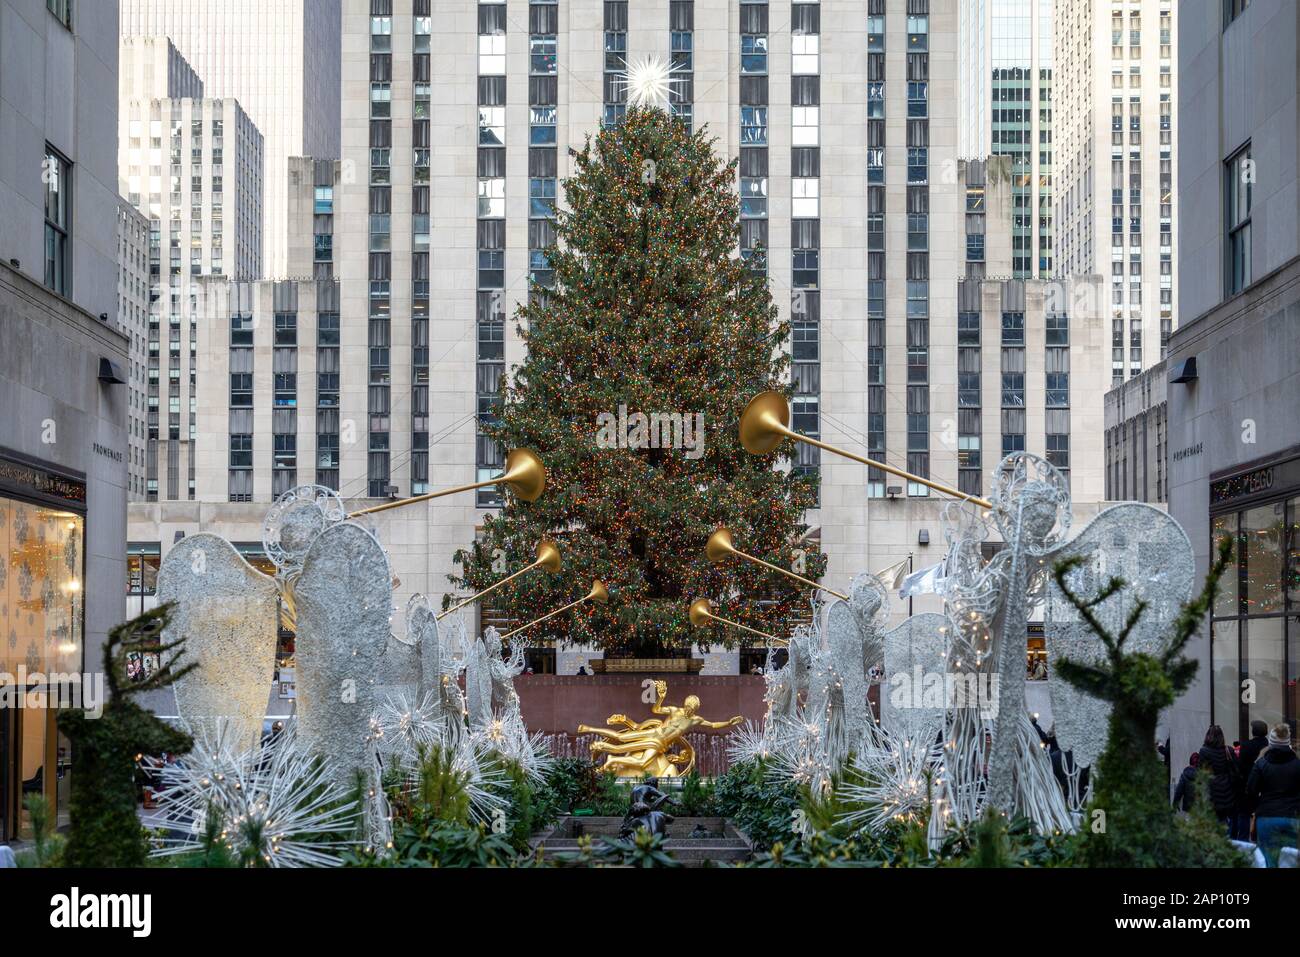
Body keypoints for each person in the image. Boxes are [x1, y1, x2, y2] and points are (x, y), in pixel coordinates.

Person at [1244, 724, 1300, 867]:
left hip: (1266, 817)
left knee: (1268, 861)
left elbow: (1250, 791)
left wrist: (1254, 810)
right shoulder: (1297, 764)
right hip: (1292, 817)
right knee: (1292, 861)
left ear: (1271, 742)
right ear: (1288, 743)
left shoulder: (1261, 764)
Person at [1198, 724, 1242, 835]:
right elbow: (1236, 770)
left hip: (1212, 792)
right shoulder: (1228, 750)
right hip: (1227, 793)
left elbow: (1201, 774)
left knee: (1212, 825)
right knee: (1224, 823)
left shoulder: (1204, 751)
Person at [1235, 720, 1270, 839]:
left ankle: (1243, 841)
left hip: (1247, 785)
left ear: (1253, 731)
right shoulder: (1269, 746)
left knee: (1244, 814)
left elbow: (1241, 767)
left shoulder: (1246, 746)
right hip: (1265, 787)